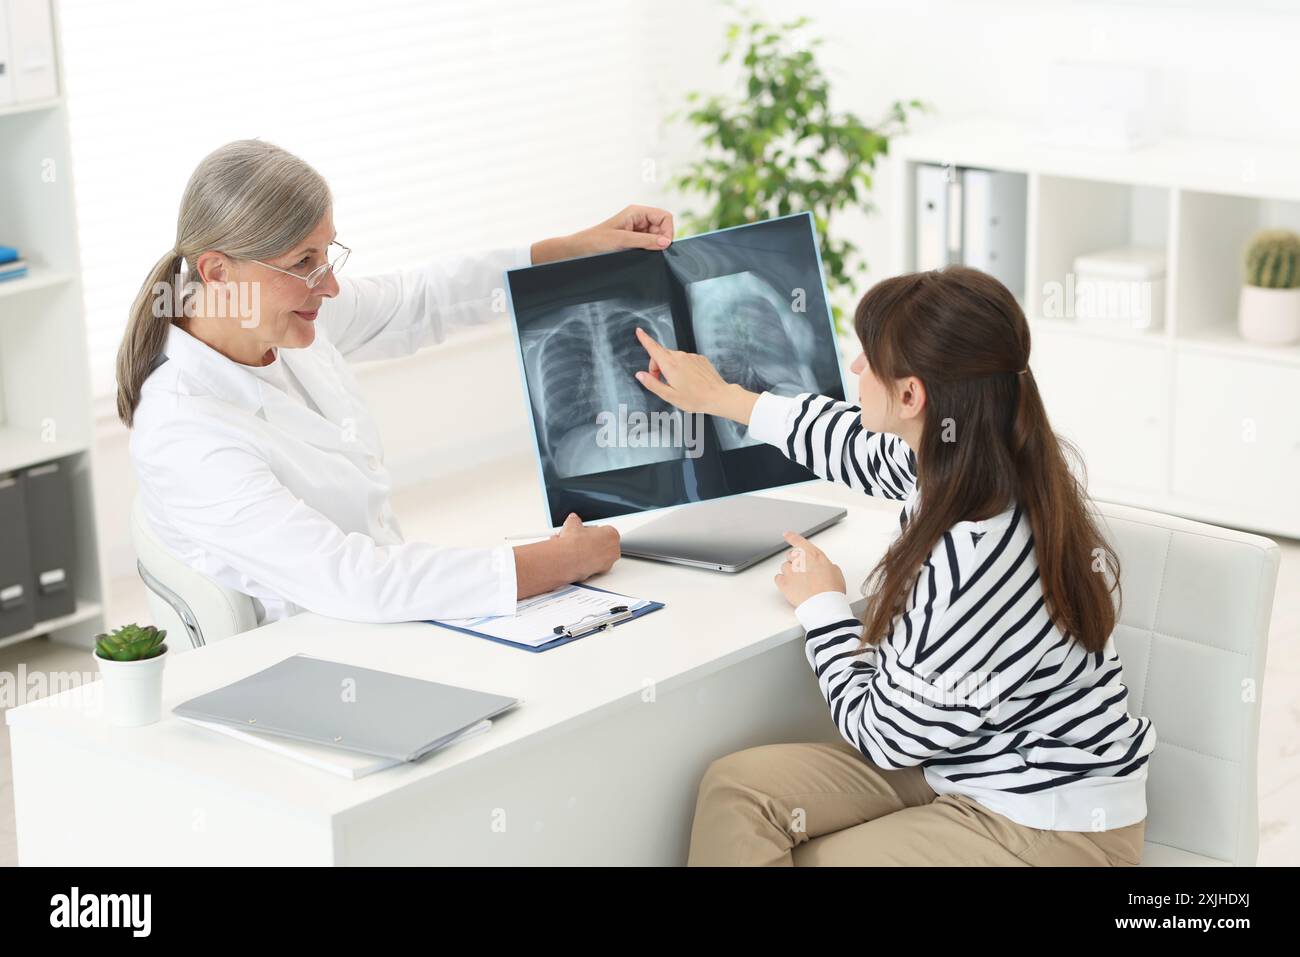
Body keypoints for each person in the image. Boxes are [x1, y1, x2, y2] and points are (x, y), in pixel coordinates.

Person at [634, 265, 1156, 866]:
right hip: (960, 758)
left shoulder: (974, 557)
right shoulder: (973, 456)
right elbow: (850, 446)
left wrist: (823, 608)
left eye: (868, 358)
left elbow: (884, 736)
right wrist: (724, 398)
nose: (854, 368)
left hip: (1044, 819)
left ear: (911, 395)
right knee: (737, 793)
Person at [119, 138, 674, 625]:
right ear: (219, 272)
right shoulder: (183, 430)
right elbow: (352, 581)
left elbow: (421, 299)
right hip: (310, 651)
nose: (331, 285)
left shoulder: (276, 321)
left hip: (386, 616)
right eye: (304, 261)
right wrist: (559, 561)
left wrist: (574, 252)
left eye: (328, 251)